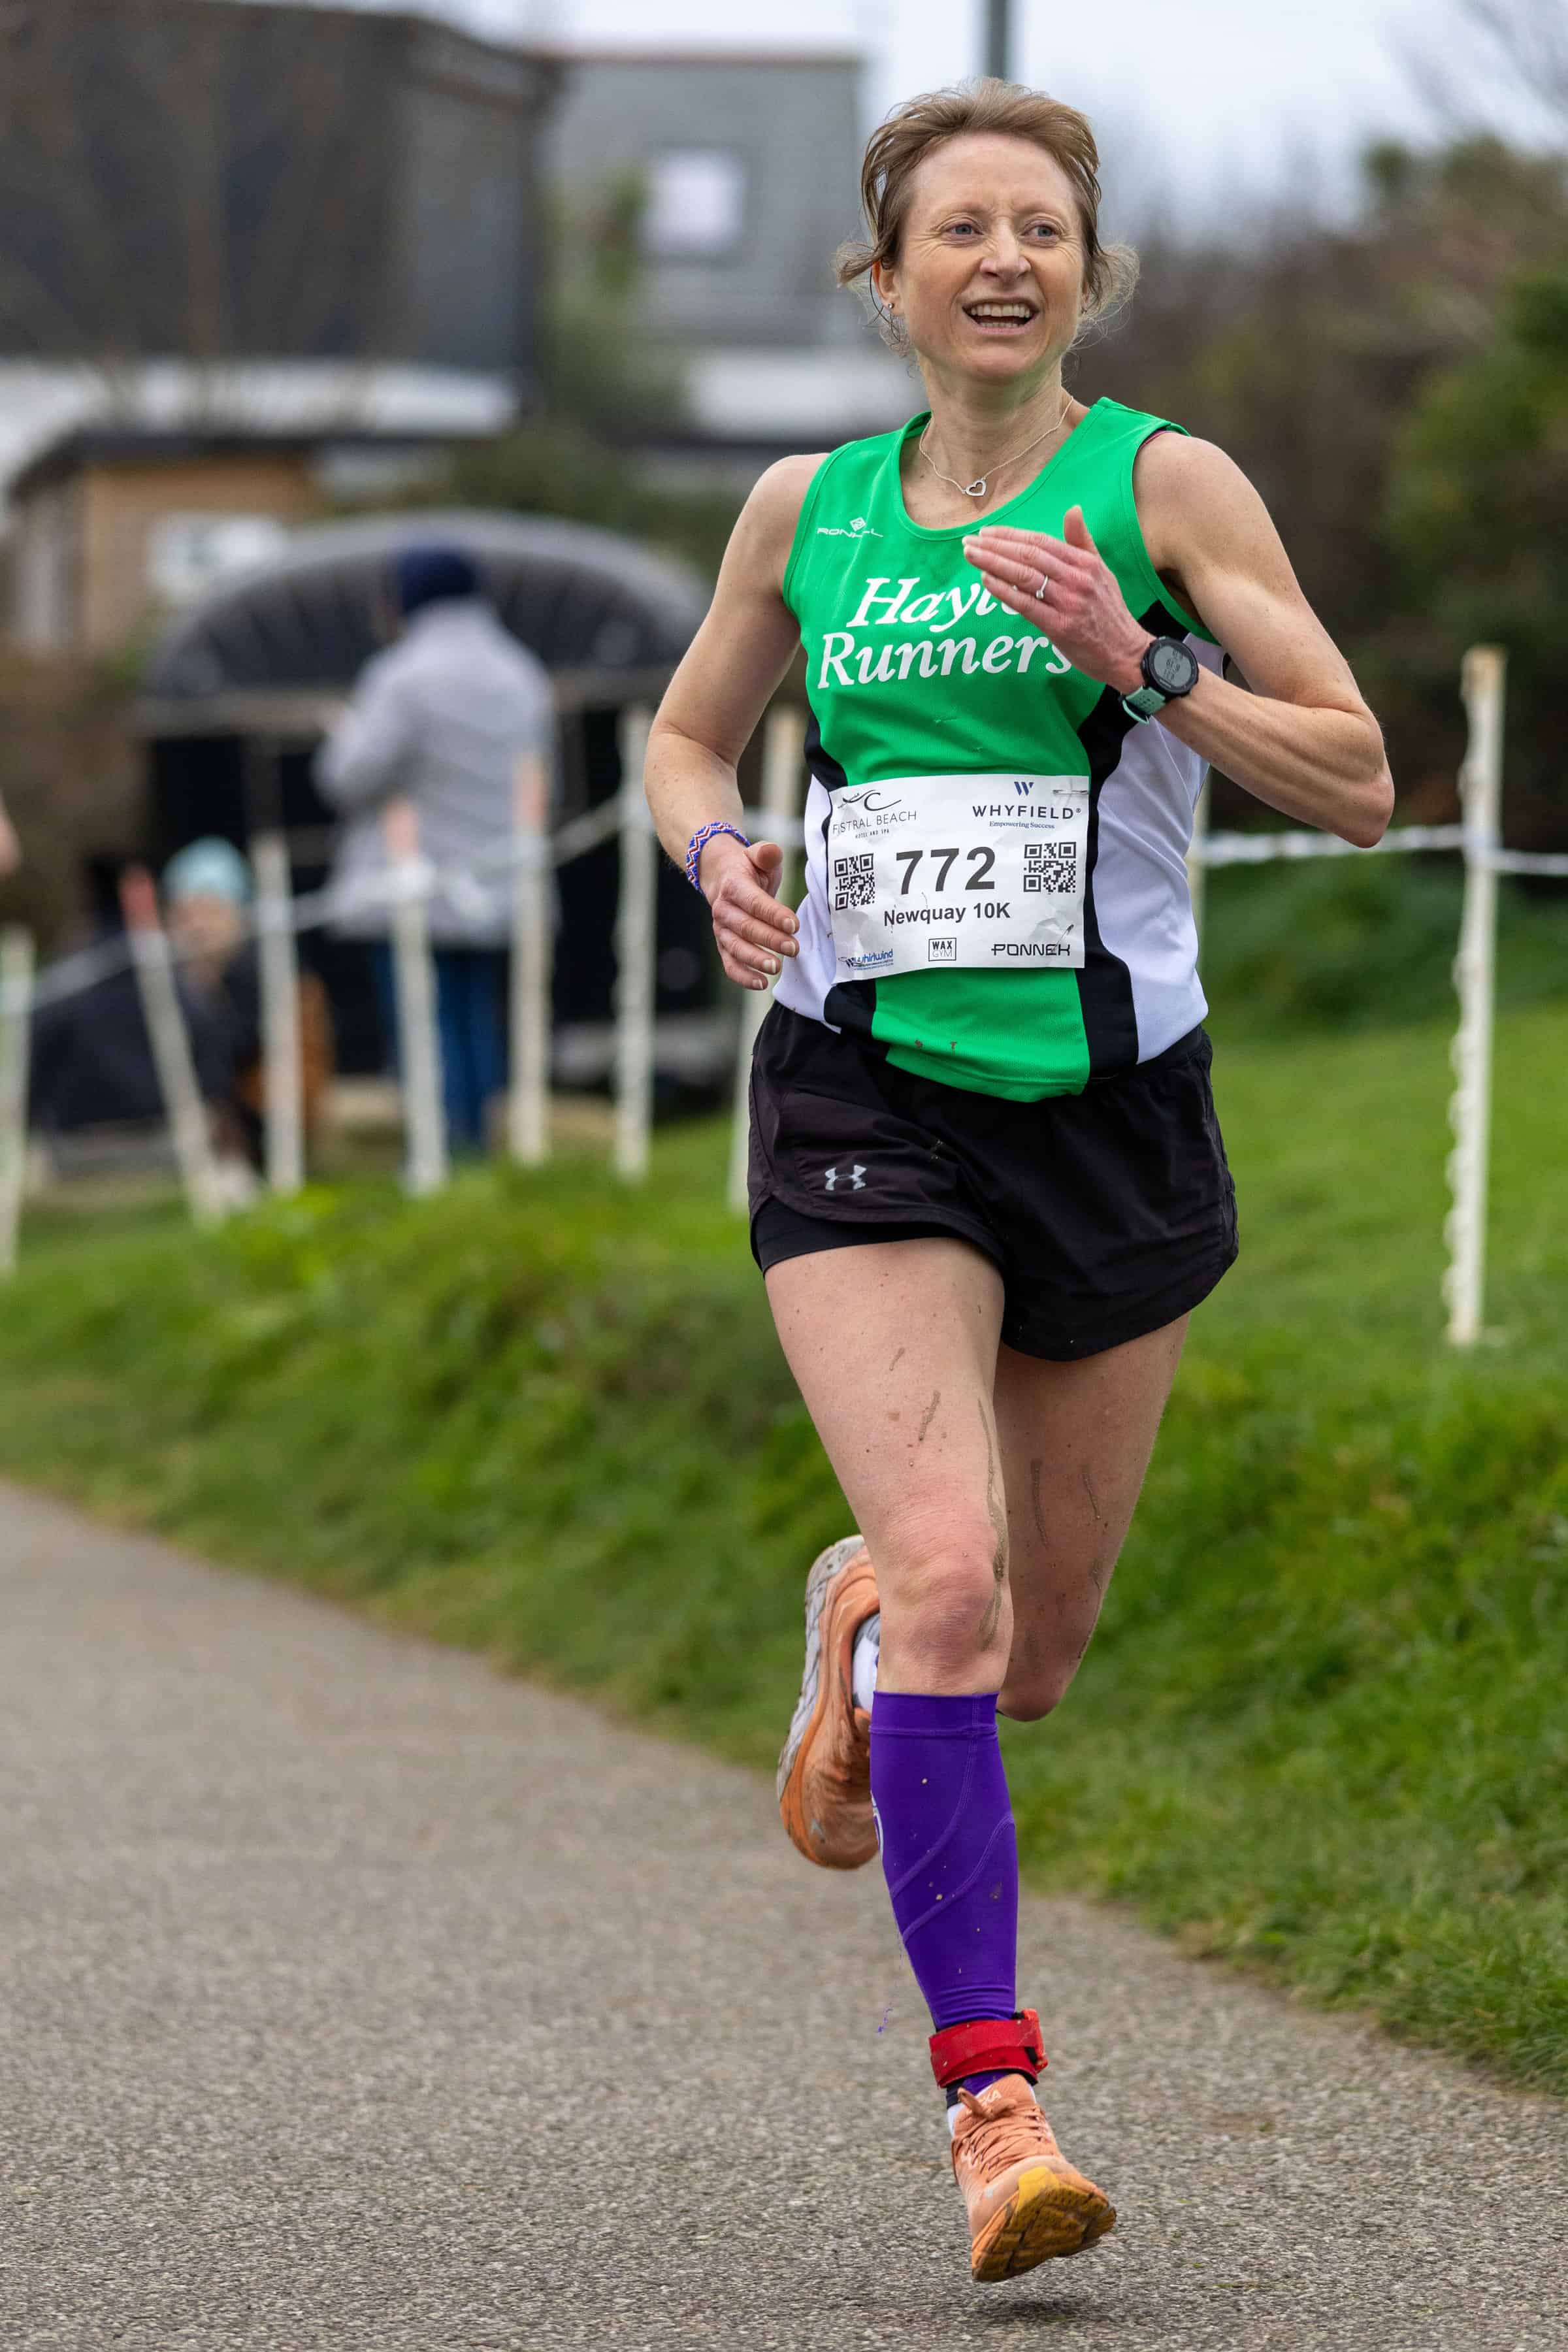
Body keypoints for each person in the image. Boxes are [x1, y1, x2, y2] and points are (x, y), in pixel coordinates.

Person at [644, 79, 1392, 2286]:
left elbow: (1352, 776)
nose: (1002, 257)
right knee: (965, 1577)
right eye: (957, 226)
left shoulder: (1164, 485)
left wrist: (1141, 662)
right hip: (866, 1093)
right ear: (882, 281)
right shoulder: (803, 509)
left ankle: (864, 1621)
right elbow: (692, 731)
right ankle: (997, 2109)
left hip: (1114, 1113)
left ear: (1089, 270)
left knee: (1020, 1657)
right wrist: (716, 851)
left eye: (1041, 228)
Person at [315, 544, 555, 1154]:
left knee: (425, 1020)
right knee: (478, 1016)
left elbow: (347, 778)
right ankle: (480, 1142)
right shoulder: (522, 673)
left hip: (414, 880)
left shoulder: (401, 675)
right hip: (498, 882)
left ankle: (439, 1148)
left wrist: (341, 731)